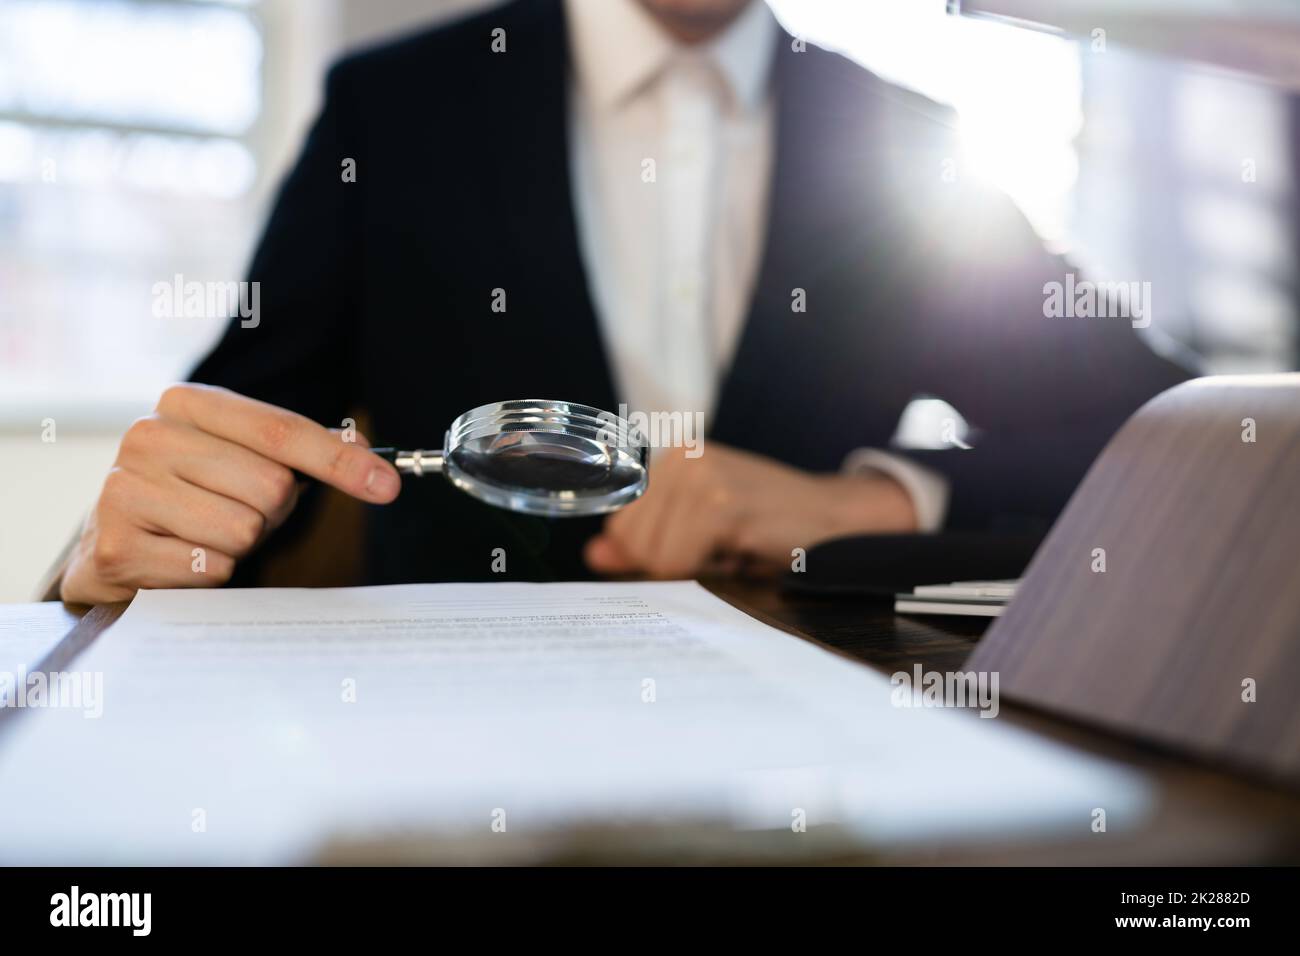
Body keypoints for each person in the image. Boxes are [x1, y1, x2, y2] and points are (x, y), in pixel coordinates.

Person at [58, 0, 1189, 604]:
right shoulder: (393, 112)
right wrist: (130, 550)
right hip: (447, 760)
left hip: (812, 756)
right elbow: (228, 432)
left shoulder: (907, 142)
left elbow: (1164, 434)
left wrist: (874, 501)